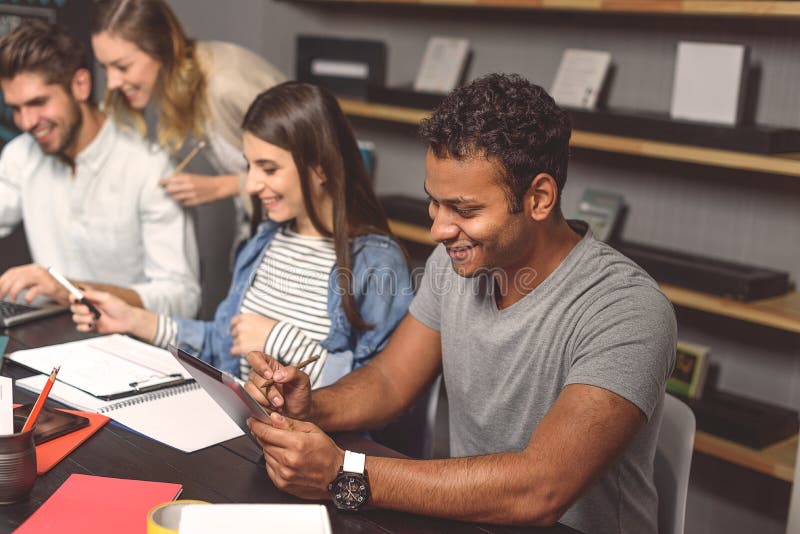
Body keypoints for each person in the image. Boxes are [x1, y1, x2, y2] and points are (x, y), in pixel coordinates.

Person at [243, 74, 677, 533]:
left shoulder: (627, 310)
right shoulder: (453, 264)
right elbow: (390, 381)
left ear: (539, 198)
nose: (439, 230)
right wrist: (312, 407)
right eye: (434, 203)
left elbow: (541, 487)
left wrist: (344, 474)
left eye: (464, 210)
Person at [71, 81, 413, 385]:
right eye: (249, 167)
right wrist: (133, 320)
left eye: (269, 169)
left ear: (320, 167)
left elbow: (378, 392)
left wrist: (279, 340)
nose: (250, 185)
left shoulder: (376, 262)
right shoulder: (264, 242)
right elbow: (220, 343)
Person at [0, 20, 200, 317]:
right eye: (16, 108)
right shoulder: (20, 155)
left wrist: (69, 289)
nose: (26, 122)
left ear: (80, 85)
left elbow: (183, 298)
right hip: (44, 337)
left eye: (38, 102)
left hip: (127, 341)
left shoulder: (149, 167)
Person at [90, 0, 286, 234]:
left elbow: (310, 166)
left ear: (161, 48)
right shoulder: (185, 81)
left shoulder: (226, 86)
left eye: (122, 67)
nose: (112, 83)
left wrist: (223, 186)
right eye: (105, 68)